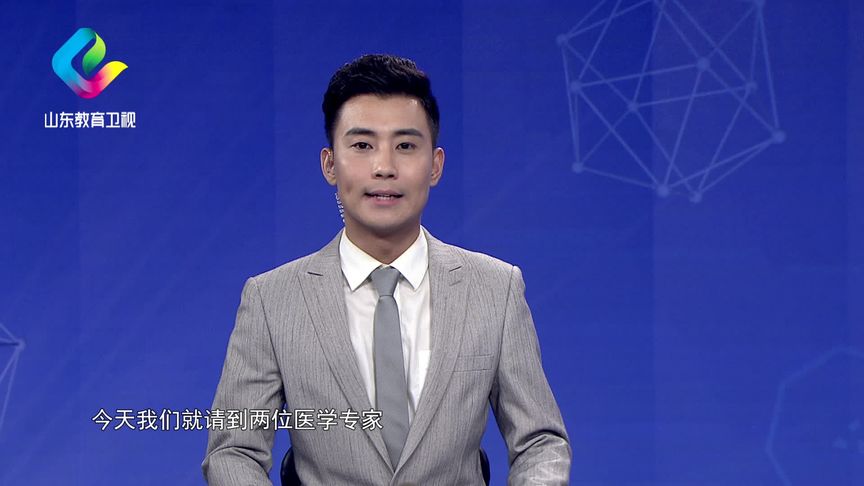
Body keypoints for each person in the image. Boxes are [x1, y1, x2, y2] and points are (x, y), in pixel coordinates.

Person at [202, 54, 570, 485]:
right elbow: (233, 451)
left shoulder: (495, 288)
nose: (384, 167)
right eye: (362, 145)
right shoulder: (272, 300)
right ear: (330, 164)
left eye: (405, 146)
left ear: (435, 165)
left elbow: (540, 442)